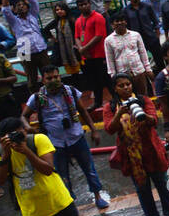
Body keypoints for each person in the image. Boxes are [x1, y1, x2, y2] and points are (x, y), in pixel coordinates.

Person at [24, 66, 108, 208]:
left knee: (89, 169)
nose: (54, 80)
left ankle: (98, 196)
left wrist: (94, 130)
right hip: (55, 143)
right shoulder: (37, 98)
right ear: (43, 80)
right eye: (49, 78)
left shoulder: (70, 91)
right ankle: (69, 201)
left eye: (56, 77)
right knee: (62, 174)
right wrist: (28, 128)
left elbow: (82, 111)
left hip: (76, 137)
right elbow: (23, 116)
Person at [103, 74, 169, 216]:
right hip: (131, 156)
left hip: (152, 151)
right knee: (142, 189)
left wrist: (142, 114)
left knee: (163, 185)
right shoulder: (111, 107)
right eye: (122, 85)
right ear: (115, 88)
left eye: (128, 84)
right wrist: (119, 114)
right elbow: (109, 129)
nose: (126, 87)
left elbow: (154, 120)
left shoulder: (143, 100)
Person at [0, 0, 49, 88]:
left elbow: (33, 1)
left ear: (27, 6)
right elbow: (5, 10)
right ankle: (35, 99)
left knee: (48, 74)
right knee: (32, 78)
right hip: (25, 52)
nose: (21, 6)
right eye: (18, 5)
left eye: (23, 4)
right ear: (14, 9)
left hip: (41, 49)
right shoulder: (14, 21)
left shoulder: (33, 15)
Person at [72, 0, 109, 111]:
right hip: (87, 56)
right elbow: (77, 37)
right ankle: (97, 102)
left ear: (90, 4)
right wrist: (81, 48)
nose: (83, 6)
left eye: (85, 4)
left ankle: (116, 98)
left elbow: (99, 36)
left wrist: (84, 48)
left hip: (99, 54)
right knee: (93, 80)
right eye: (81, 5)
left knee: (106, 78)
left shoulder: (98, 17)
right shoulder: (78, 20)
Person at [104, 11, 152, 96]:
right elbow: (110, 60)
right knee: (128, 98)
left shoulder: (136, 35)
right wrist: (114, 77)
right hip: (123, 76)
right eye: (117, 21)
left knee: (143, 97)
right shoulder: (108, 40)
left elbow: (143, 53)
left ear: (125, 22)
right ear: (112, 24)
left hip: (139, 72)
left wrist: (148, 69)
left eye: (122, 20)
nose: (120, 23)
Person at [121, 0, 162, 68]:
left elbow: (155, 21)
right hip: (136, 40)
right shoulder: (126, 10)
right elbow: (126, 25)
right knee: (140, 61)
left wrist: (157, 34)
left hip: (150, 37)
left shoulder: (147, 7)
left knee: (159, 58)